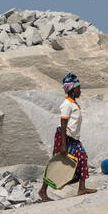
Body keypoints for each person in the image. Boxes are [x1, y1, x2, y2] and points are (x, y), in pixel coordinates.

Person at [39, 72, 93, 200]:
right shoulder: (67, 104)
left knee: (82, 158)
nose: (80, 91)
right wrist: (63, 144)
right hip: (65, 137)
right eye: (79, 88)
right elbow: (63, 124)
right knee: (57, 163)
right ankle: (43, 191)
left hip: (73, 138)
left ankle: (82, 188)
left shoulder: (72, 103)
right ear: (73, 90)